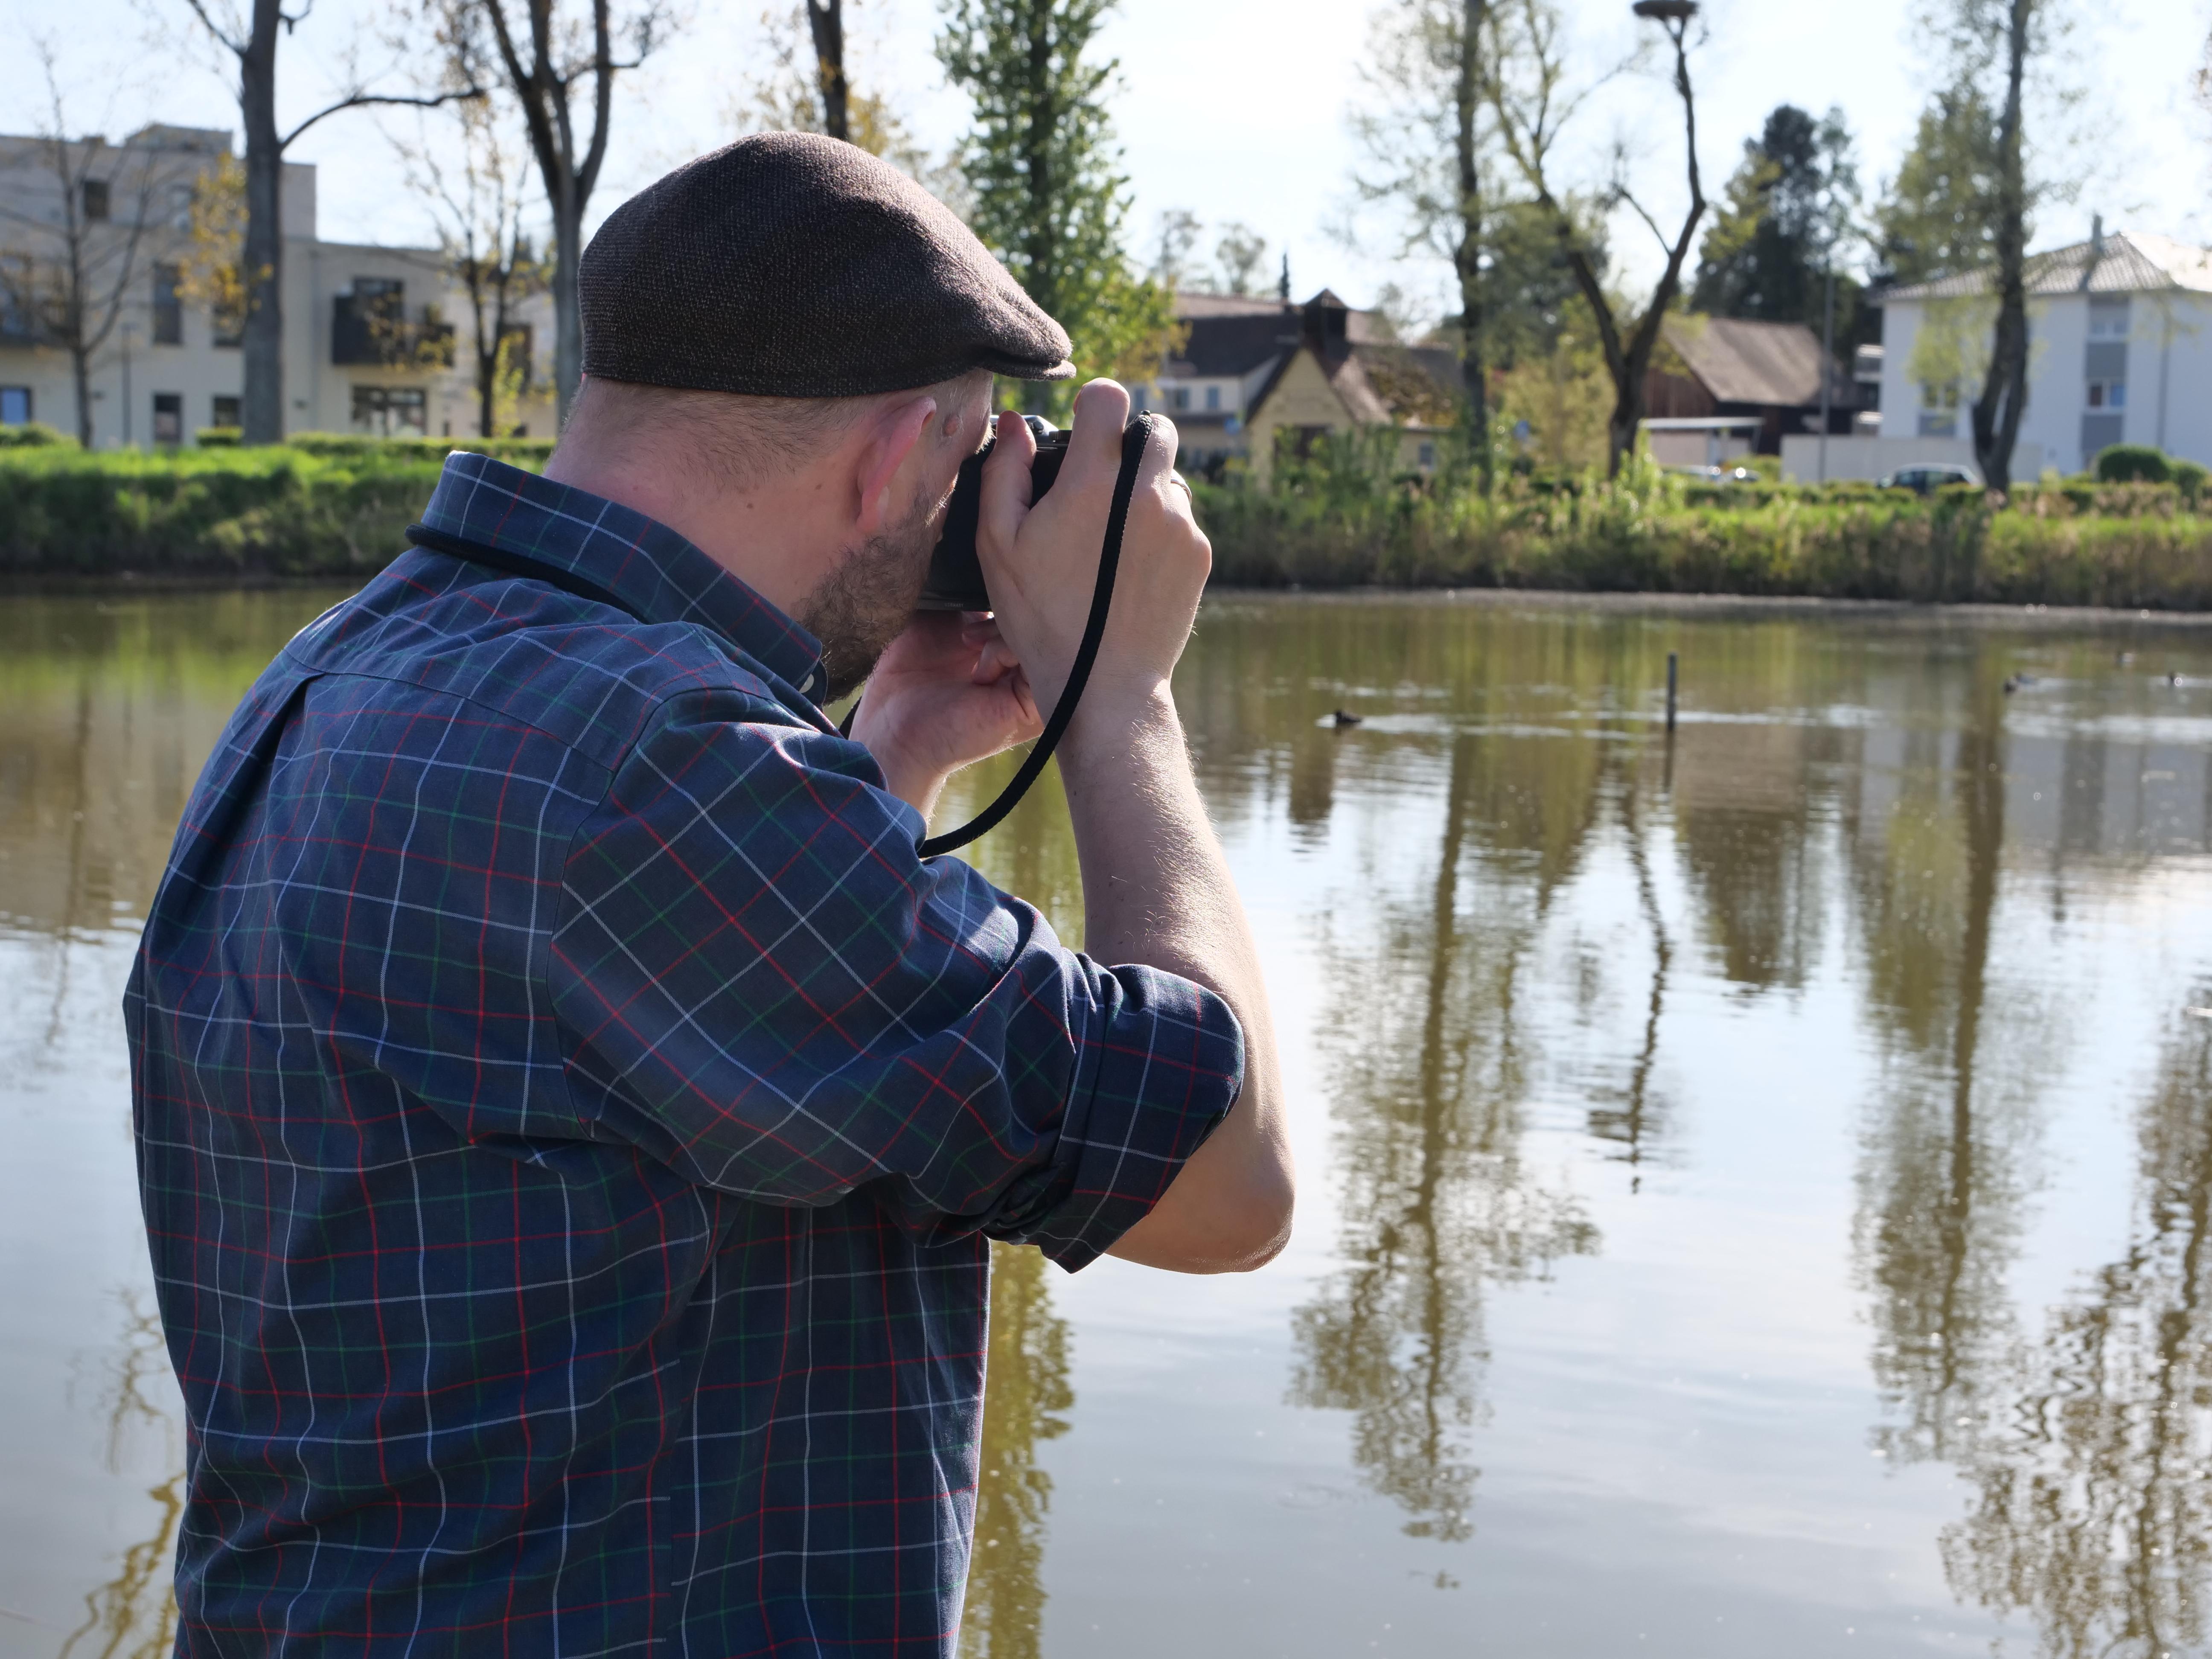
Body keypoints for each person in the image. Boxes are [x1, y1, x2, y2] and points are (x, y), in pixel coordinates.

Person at [123, 132, 1290, 1654]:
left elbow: (621, 1130)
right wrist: (1119, 695)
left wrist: (889, 759)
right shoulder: (659, 766)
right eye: (968, 462)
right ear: (895, 461)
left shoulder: (348, 663)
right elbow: (1225, 1186)